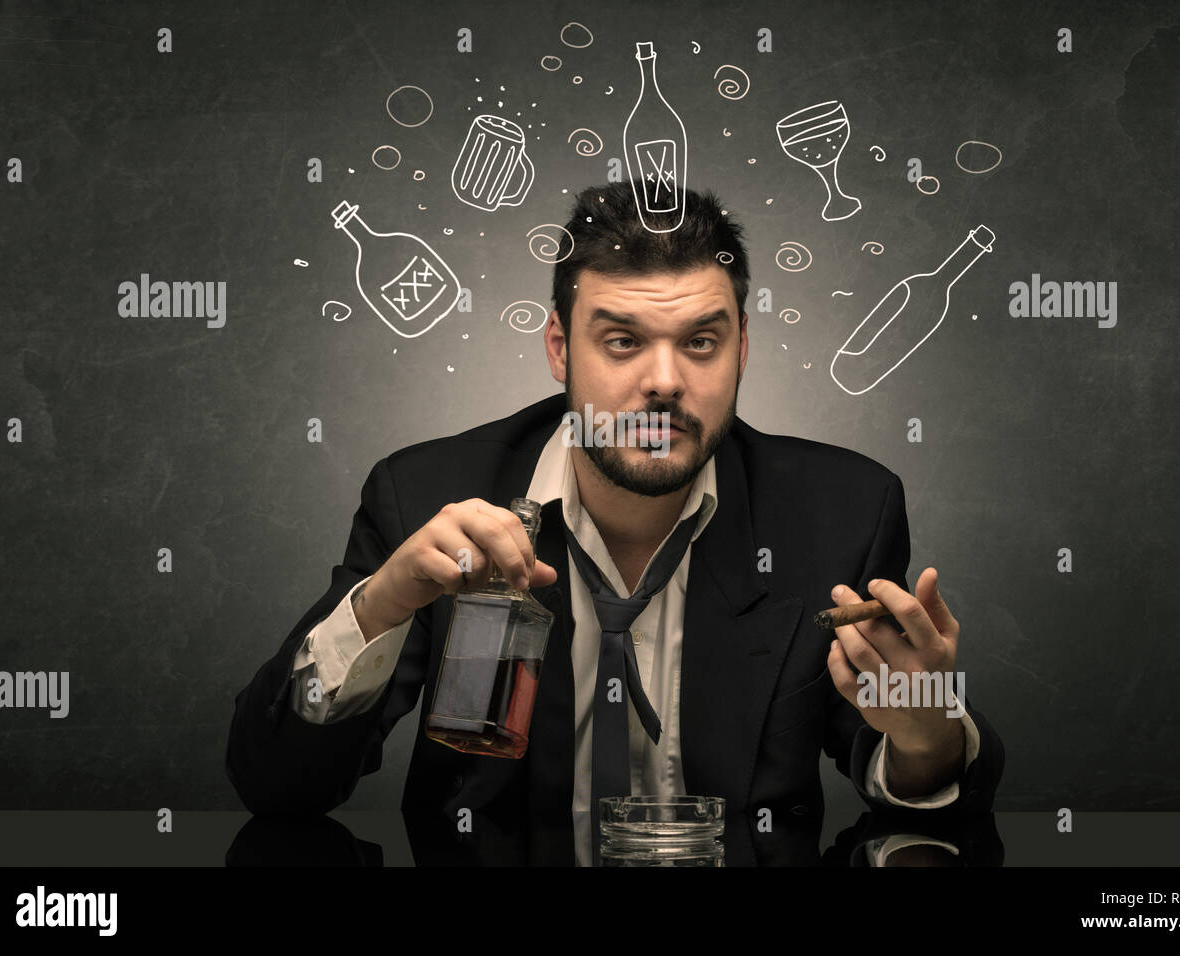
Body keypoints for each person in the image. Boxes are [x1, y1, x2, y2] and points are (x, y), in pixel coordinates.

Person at [225, 182, 1004, 866]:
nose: (664, 382)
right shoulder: (424, 492)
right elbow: (277, 790)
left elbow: (914, 804)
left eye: (702, 342)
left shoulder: (842, 509)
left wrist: (925, 732)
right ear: (560, 349)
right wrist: (382, 603)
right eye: (623, 341)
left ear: (742, 352)